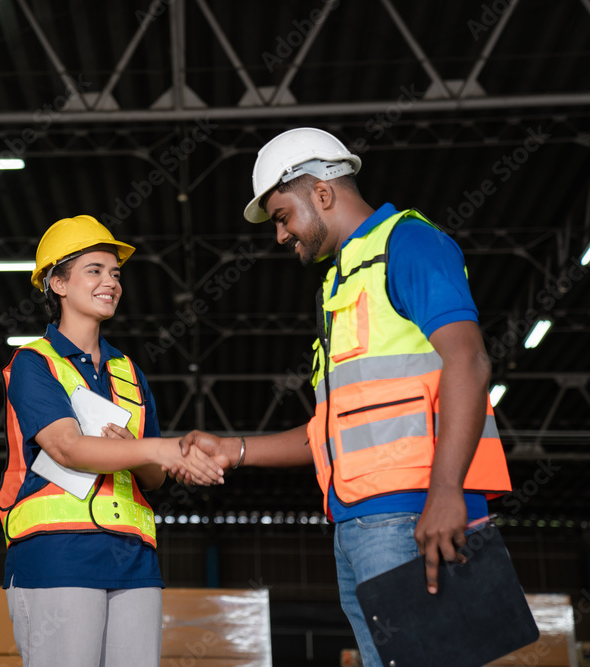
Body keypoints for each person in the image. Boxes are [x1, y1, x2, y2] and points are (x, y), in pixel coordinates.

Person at [178, 128, 513, 667]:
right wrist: (234, 450)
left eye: (283, 216)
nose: (281, 235)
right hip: (360, 527)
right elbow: (332, 432)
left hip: (417, 516)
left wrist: (447, 490)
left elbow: (469, 362)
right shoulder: (341, 286)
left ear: (323, 193)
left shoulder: (408, 244)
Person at [0, 215, 223, 667]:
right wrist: (158, 448)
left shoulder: (129, 372)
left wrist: (145, 454)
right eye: (94, 270)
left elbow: (154, 479)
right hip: (58, 554)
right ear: (56, 283)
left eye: (115, 273)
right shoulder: (33, 363)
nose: (111, 282)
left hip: (135, 560)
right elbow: (66, 448)